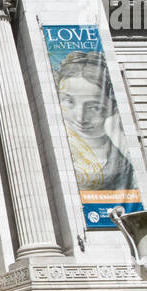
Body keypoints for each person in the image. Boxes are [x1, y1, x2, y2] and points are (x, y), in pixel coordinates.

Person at [55, 51, 136, 193]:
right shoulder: (56, 153)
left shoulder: (125, 168)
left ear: (113, 107)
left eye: (94, 107)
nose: (80, 118)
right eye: (69, 101)